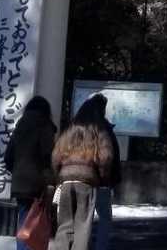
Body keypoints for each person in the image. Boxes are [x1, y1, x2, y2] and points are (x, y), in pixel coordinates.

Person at [52, 94, 122, 250]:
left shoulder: (70, 129)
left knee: (64, 225)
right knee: (83, 226)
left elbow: (56, 155)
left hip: (66, 181)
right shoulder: (100, 128)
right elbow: (106, 156)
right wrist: (103, 178)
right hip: (87, 182)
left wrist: (58, 176)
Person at [7, 97, 57, 224]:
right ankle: (26, 244)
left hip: (19, 181)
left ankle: (21, 244)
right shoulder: (45, 125)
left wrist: (17, 171)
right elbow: (48, 154)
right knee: (33, 223)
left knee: (24, 220)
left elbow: (8, 156)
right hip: (37, 181)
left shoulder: (20, 126)